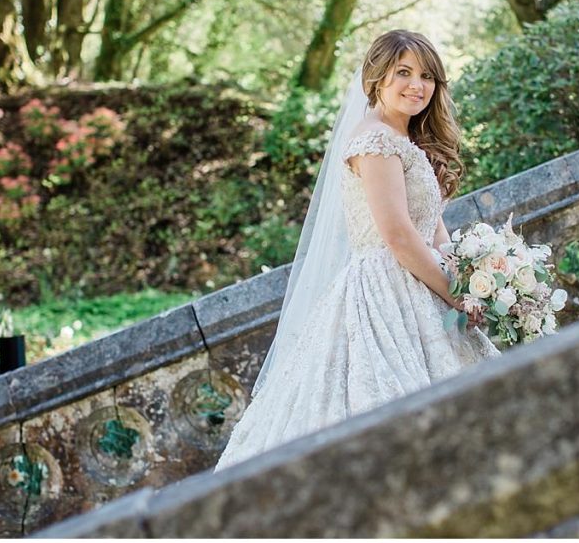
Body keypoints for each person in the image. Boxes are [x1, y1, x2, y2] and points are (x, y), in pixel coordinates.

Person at [213, 29, 499, 472]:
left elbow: (433, 226)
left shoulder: (406, 140)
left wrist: (472, 275)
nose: (416, 85)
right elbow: (400, 236)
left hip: (421, 279)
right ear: (376, 77)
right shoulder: (375, 141)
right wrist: (453, 293)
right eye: (403, 72)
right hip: (387, 289)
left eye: (426, 76)